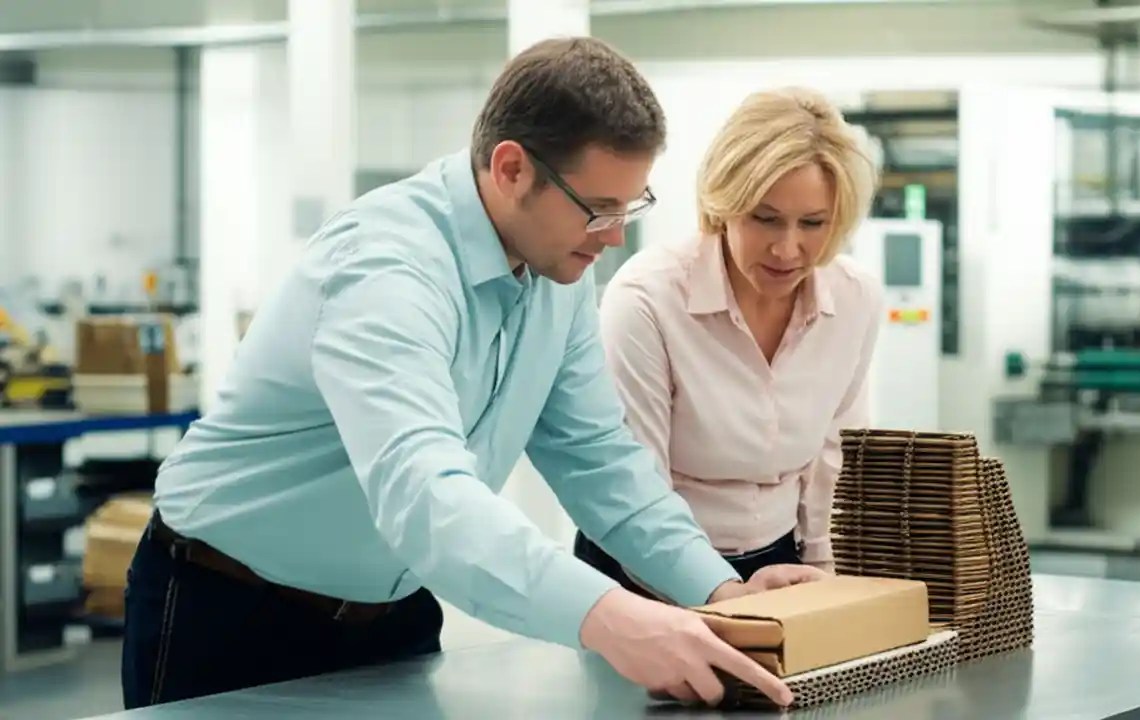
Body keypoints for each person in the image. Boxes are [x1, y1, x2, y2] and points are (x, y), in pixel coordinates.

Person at [121, 38, 823, 711]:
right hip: (228, 609)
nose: (613, 238)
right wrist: (614, 618)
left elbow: (599, 460)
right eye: (598, 210)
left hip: (392, 615)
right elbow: (424, 494)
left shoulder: (559, 273)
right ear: (511, 168)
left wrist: (721, 590)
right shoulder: (388, 268)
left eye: (629, 208)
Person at [574, 87, 883, 593]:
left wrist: (828, 583)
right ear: (724, 205)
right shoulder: (647, 300)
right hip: (641, 564)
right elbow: (636, 489)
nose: (788, 248)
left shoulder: (855, 301)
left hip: (781, 563)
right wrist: (723, 595)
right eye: (765, 218)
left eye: (813, 224)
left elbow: (833, 457)